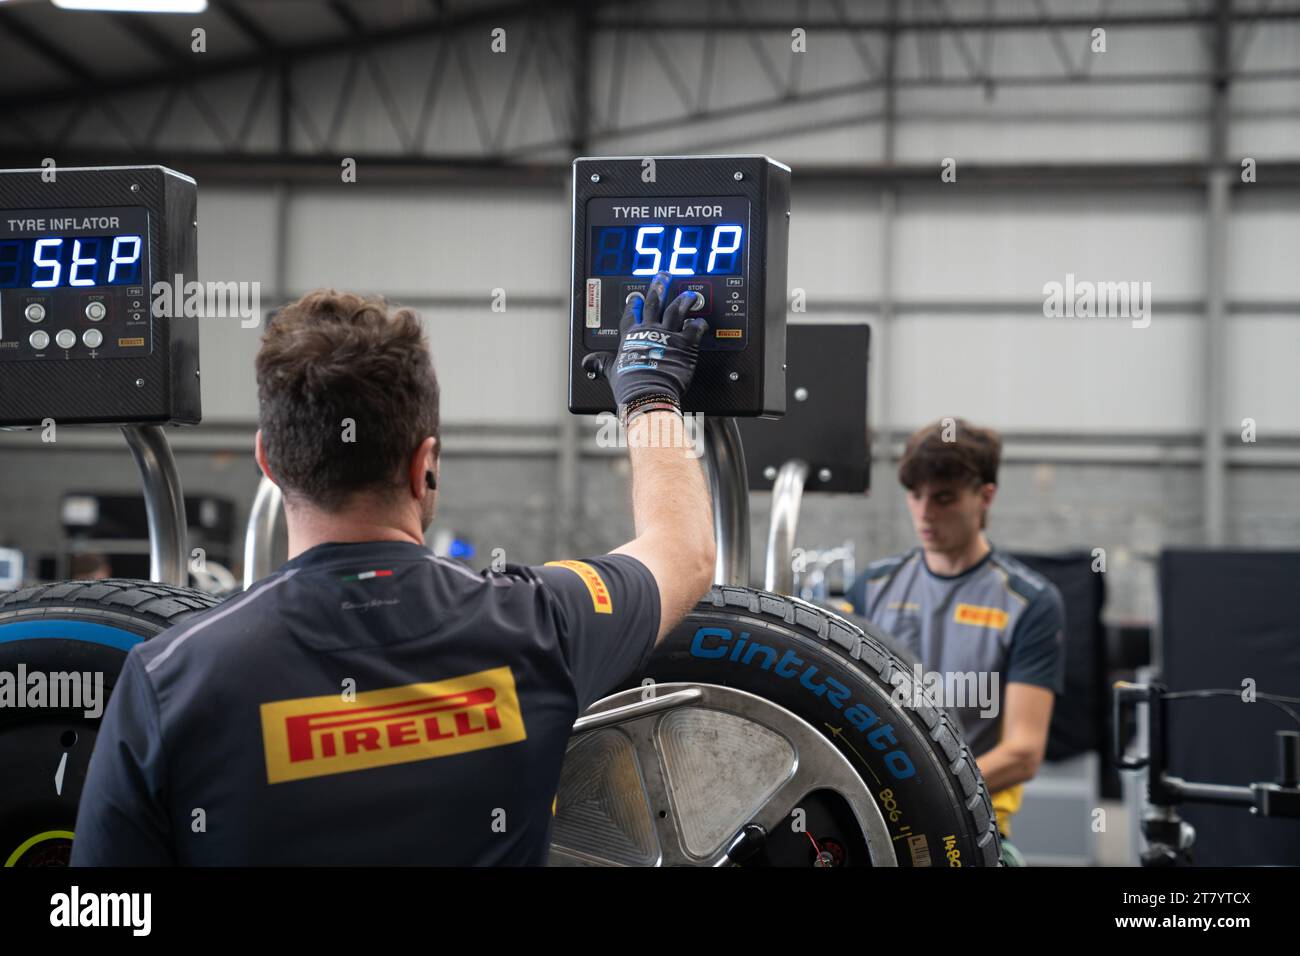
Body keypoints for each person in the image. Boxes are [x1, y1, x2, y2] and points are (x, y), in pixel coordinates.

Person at [72, 273, 714, 865]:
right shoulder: (543, 623)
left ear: (268, 461)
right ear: (423, 463)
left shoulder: (169, 678)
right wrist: (650, 395)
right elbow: (683, 550)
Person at [846, 419, 1064, 851]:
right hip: (879, 814)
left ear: (985, 497)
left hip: (973, 824)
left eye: (943, 498)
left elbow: (1023, 752)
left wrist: (931, 795)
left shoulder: (1029, 603)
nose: (925, 513)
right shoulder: (871, 588)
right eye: (916, 496)